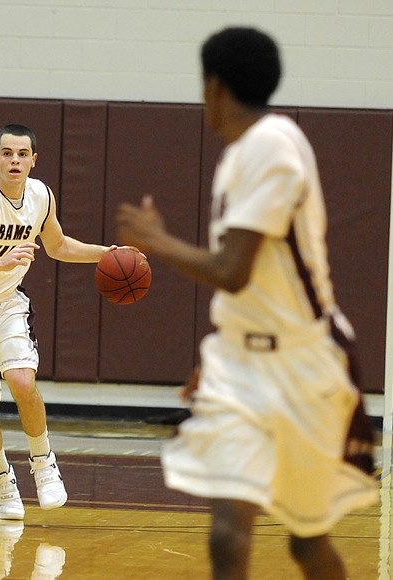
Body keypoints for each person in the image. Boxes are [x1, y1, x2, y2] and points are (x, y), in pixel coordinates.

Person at [116, 27, 378, 579]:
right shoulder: (243, 153)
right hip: (242, 367)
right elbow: (254, 283)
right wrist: (222, 356)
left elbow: (232, 273)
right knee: (228, 535)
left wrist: (155, 240)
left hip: (306, 364)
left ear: (214, 86)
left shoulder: (272, 146)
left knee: (307, 544)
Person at [0, 124, 115, 520]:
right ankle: (2, 482)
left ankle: (43, 462)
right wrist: (0, 261)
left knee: (21, 380)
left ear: (34, 160)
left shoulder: (41, 196)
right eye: (7, 153)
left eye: (22, 154)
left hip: (7, 305)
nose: (14, 160)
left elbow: (60, 246)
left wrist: (109, 254)